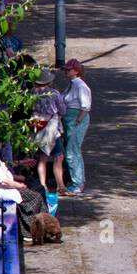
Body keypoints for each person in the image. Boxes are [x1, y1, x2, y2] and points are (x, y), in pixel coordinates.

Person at [31, 68, 66, 211]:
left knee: (42, 158)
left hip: (37, 126)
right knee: (59, 156)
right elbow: (62, 110)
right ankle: (60, 185)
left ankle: (42, 185)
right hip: (51, 127)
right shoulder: (54, 93)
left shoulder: (32, 93)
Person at [61, 59, 92, 195]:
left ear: (76, 71)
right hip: (69, 119)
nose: (66, 71)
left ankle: (77, 183)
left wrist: (77, 121)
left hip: (76, 119)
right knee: (72, 150)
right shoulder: (72, 84)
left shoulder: (80, 86)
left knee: (72, 152)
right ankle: (76, 180)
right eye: (66, 69)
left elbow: (85, 106)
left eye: (69, 69)